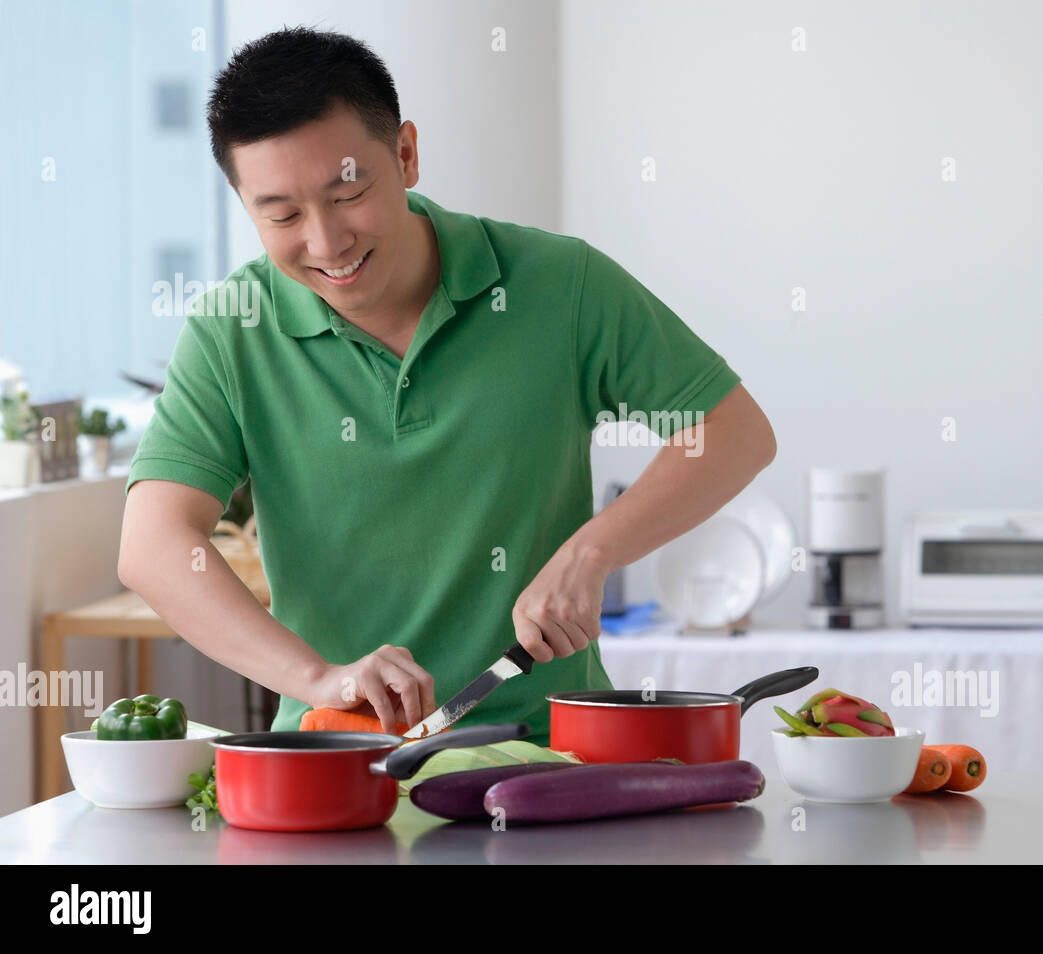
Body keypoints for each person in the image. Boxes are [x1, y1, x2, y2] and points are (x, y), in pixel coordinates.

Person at [117, 26, 777, 741]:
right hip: (337, 760)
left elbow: (733, 431)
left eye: (347, 194)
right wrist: (320, 680)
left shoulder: (561, 284)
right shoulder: (231, 329)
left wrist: (593, 552)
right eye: (280, 215)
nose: (325, 242)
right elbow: (153, 545)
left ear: (405, 154)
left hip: (551, 759)